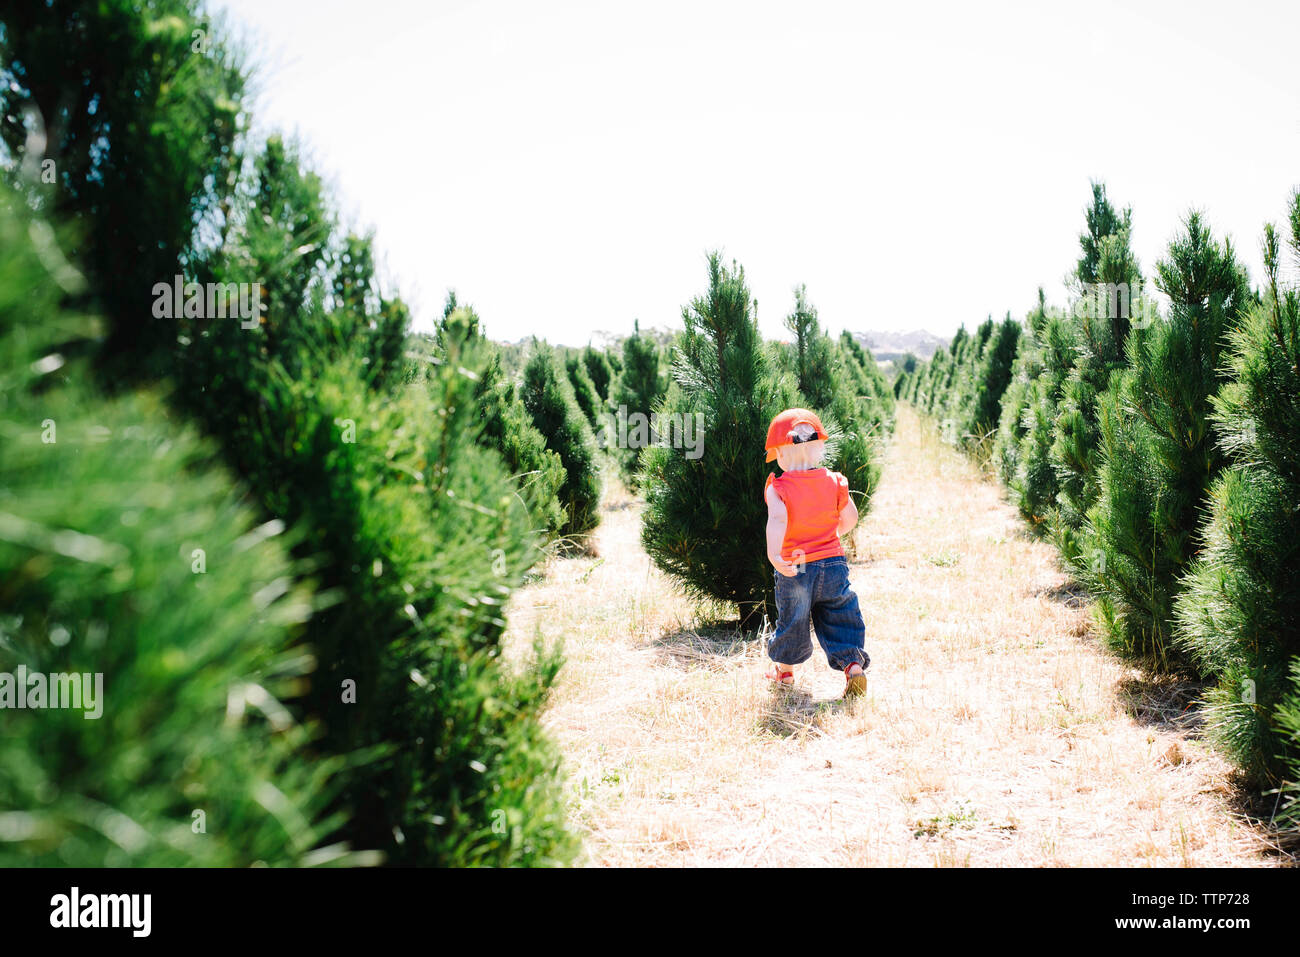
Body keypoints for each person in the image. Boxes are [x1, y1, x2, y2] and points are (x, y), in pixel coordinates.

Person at [762, 408, 869, 697]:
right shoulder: (835, 481)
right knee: (839, 612)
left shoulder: (779, 487)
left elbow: (778, 522)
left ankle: (784, 673)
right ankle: (852, 666)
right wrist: (831, 536)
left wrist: (775, 556)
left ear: (781, 455)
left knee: (793, 620)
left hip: (797, 566)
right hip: (833, 563)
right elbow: (850, 519)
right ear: (819, 449)